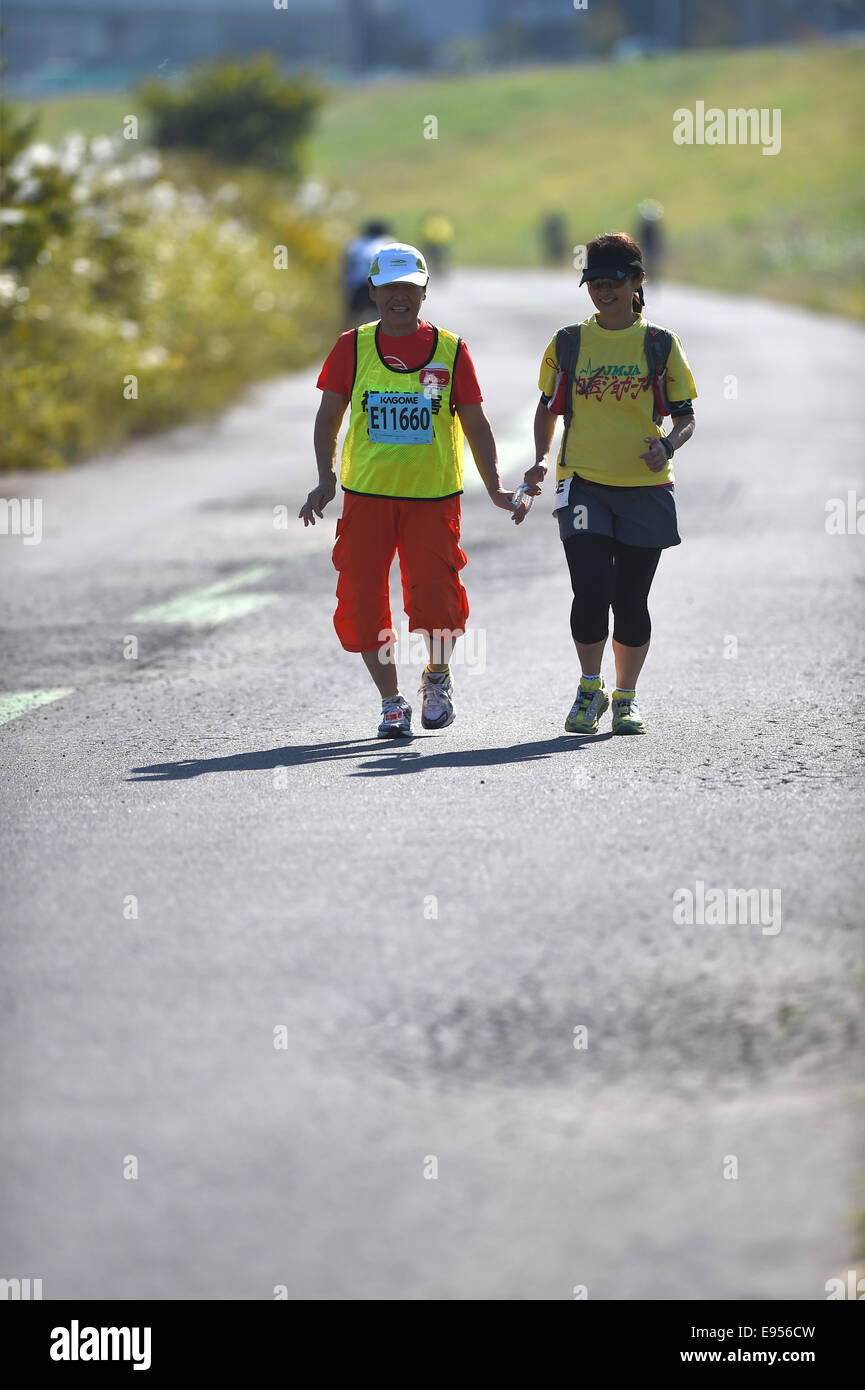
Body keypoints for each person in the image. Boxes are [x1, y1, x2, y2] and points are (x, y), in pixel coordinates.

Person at [300, 242, 527, 738]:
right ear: (372, 291)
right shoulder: (351, 346)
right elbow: (328, 418)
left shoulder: (450, 349)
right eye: (389, 288)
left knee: (436, 597)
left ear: (425, 291)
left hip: (433, 499)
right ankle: (390, 702)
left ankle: (437, 677)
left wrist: (495, 488)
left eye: (409, 287)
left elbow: (475, 422)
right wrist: (325, 478)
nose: (398, 297)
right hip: (367, 497)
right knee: (361, 599)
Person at [522, 231, 697, 736]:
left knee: (631, 599)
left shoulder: (660, 344)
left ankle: (625, 698)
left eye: (613, 281)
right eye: (594, 282)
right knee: (591, 588)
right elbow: (546, 407)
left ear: (638, 281)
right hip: (584, 482)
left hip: (645, 489)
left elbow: (685, 417)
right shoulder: (569, 343)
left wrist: (666, 445)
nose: (603, 291)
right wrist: (539, 460)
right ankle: (588, 687)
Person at [342, 220, 395, 328]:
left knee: (352, 319)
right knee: (384, 318)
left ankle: (347, 339)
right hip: (377, 283)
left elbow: (345, 266)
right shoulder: (387, 242)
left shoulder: (354, 244)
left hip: (356, 285)